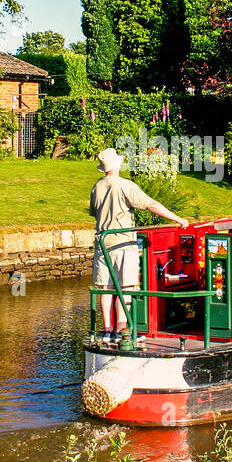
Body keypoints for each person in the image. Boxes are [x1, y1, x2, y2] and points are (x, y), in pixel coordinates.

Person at [90, 147, 189, 346]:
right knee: (125, 287)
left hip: (102, 243)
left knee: (106, 288)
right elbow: (151, 205)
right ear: (117, 165)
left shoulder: (97, 187)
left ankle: (107, 330)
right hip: (123, 242)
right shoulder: (125, 185)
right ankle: (121, 330)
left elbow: (94, 212)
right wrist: (178, 219)